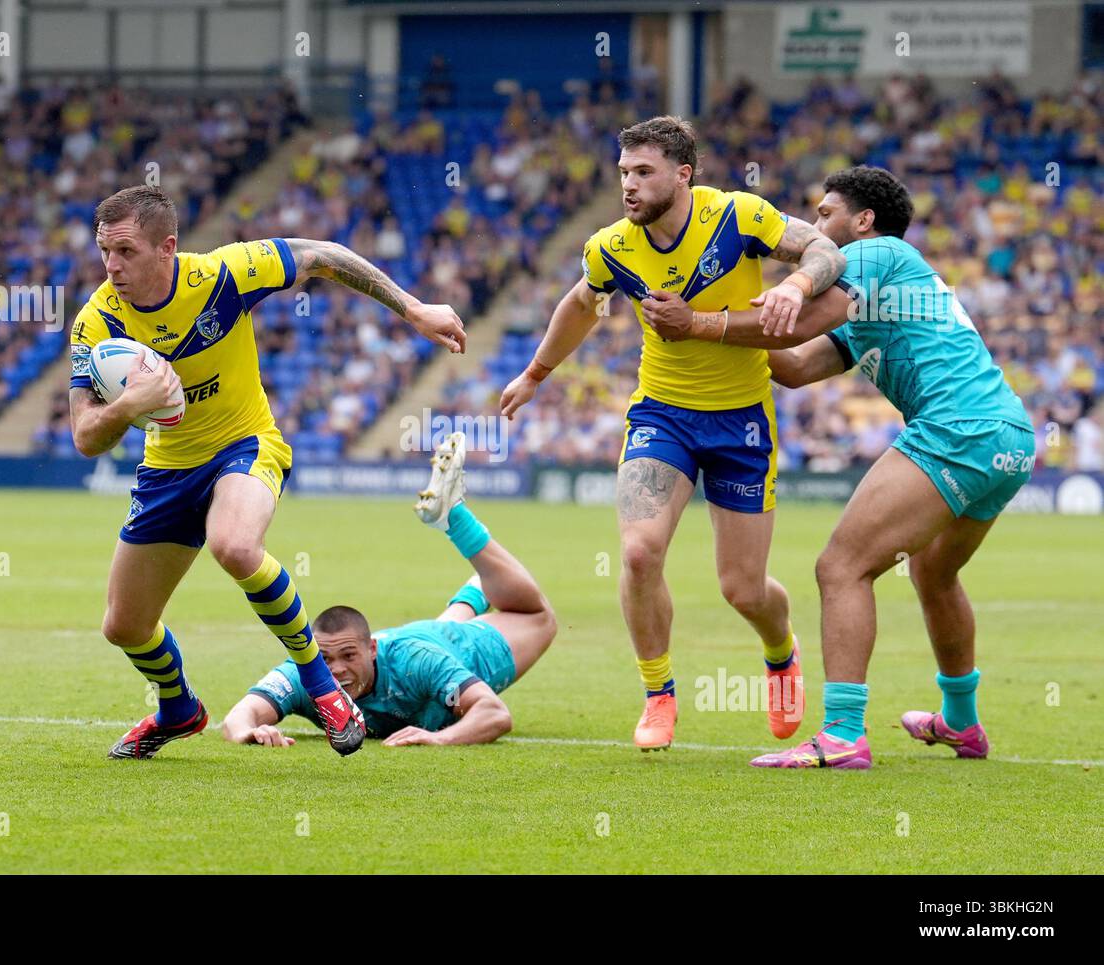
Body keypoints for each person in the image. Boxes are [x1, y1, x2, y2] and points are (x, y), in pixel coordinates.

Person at [642, 166, 1035, 768]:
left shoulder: (880, 254)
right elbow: (795, 364)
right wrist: (709, 331)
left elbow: (799, 320)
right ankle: (961, 722)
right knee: (934, 574)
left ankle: (844, 735)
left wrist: (701, 320)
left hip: (957, 430)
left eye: (825, 214)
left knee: (841, 566)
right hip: (1006, 436)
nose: (816, 225)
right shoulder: (870, 297)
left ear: (863, 222)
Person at [68, 185, 465, 759]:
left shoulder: (224, 275)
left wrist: (414, 309)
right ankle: (179, 709)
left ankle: (319, 682)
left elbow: (325, 255)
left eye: (126, 251)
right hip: (167, 467)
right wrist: (131, 404)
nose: (112, 265)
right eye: (105, 251)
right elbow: (85, 436)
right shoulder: (97, 321)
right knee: (124, 626)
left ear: (167, 247)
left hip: (244, 446)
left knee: (234, 545)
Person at [499, 116, 845, 750]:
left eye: (644, 173)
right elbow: (582, 304)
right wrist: (535, 373)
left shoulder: (739, 216)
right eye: (624, 173)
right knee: (637, 553)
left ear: (683, 175)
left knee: (742, 589)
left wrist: (794, 283)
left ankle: (780, 650)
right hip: (661, 415)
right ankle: (658, 693)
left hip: (741, 420)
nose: (629, 186)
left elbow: (826, 251)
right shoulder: (611, 247)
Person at [222, 433, 556, 748]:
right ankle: (479, 584)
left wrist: (441, 738)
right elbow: (239, 716)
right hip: (426, 637)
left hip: (456, 647)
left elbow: (495, 714)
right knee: (446, 626)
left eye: (349, 656)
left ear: (371, 649)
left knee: (539, 617)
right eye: (325, 660)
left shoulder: (418, 663)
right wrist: (248, 732)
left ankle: (454, 518)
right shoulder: (306, 673)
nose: (336, 670)